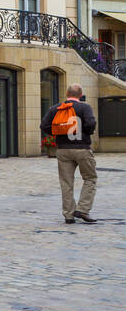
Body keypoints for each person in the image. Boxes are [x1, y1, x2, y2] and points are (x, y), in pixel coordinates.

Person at [40, 83, 97, 224]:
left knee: (66, 183)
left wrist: (58, 133)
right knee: (90, 178)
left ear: (67, 93)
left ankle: (69, 215)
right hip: (82, 148)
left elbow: (44, 125)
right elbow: (90, 124)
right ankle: (82, 209)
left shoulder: (56, 108)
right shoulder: (85, 107)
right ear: (81, 94)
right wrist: (86, 132)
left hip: (63, 149)